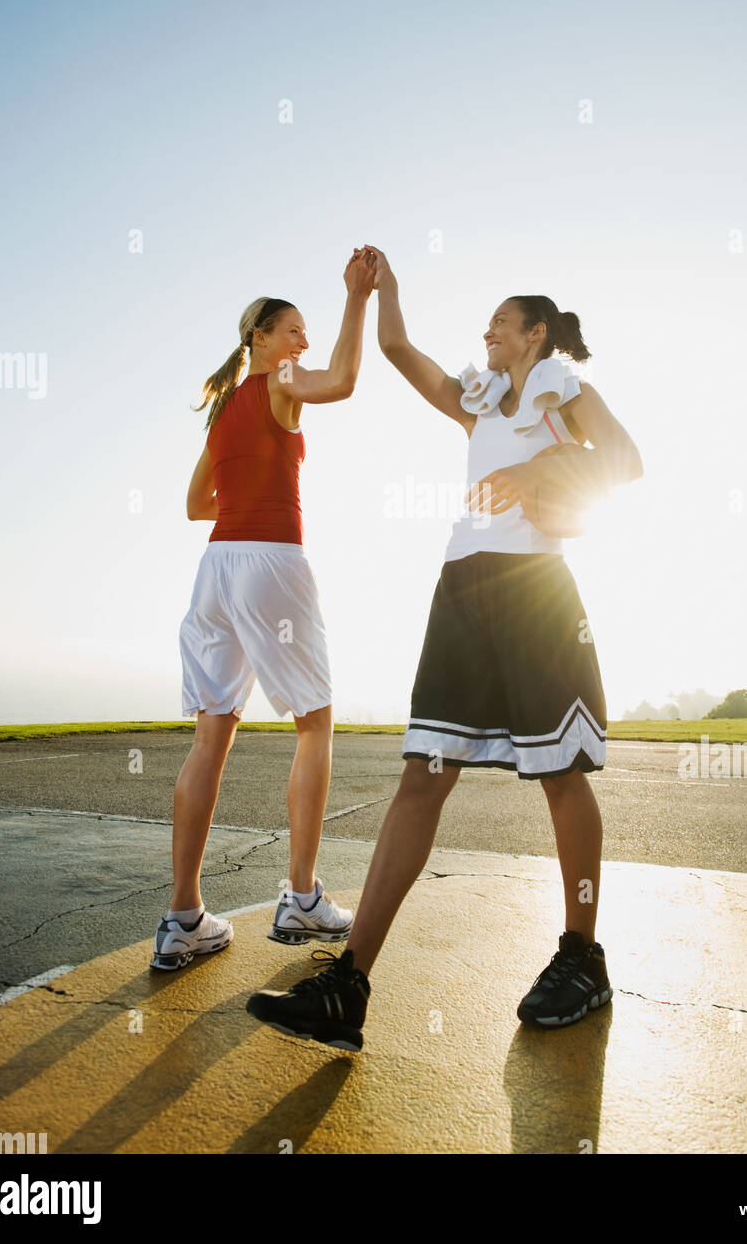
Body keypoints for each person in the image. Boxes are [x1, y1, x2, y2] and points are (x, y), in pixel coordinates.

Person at [247, 246, 643, 1050]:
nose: (487, 333)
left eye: (500, 323)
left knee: (561, 776)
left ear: (535, 332)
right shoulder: (484, 403)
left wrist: (538, 469)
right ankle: (348, 985)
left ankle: (582, 956)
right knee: (423, 775)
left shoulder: (565, 393)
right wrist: (382, 290)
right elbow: (399, 354)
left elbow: (626, 463)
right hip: (462, 588)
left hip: (536, 593)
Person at [150, 246, 377, 971]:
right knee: (316, 725)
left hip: (215, 569)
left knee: (209, 738)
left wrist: (243, 493)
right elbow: (342, 380)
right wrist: (357, 298)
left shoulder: (222, 410)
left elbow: (194, 505)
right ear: (261, 340)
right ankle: (303, 899)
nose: (302, 344)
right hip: (270, 560)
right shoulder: (281, 382)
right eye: (293, 331)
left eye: (307, 332)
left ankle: (184, 917)